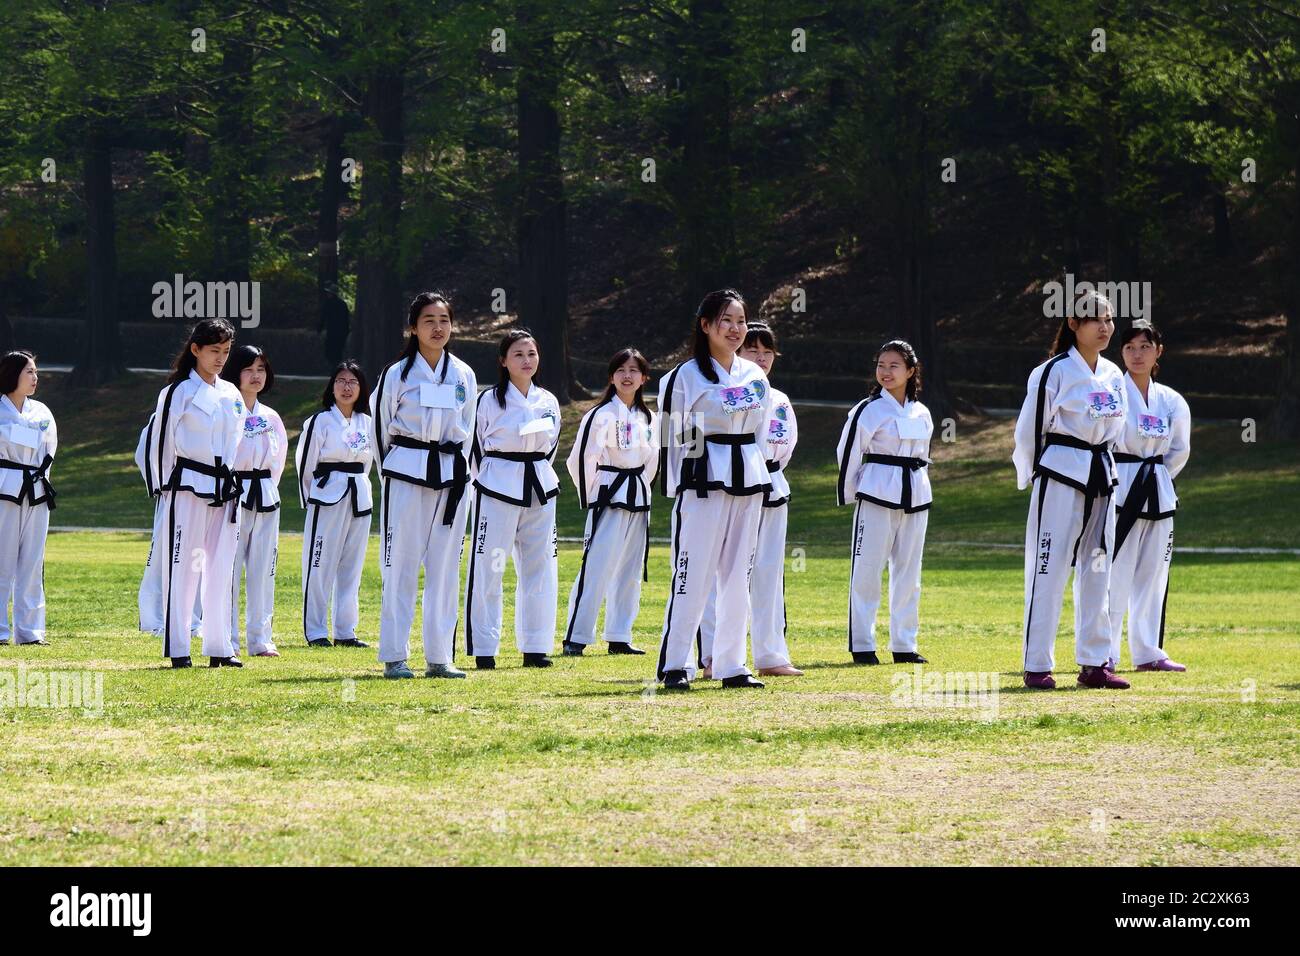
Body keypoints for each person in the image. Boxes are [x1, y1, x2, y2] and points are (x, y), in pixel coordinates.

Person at [1012, 291, 1130, 690]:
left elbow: (1117, 426)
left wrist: (1106, 466)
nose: (1105, 327)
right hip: (1060, 473)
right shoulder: (1052, 371)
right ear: (1074, 324)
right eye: (1096, 319)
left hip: (1102, 473)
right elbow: (1030, 430)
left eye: (1110, 319)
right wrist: (1033, 475)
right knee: (1049, 567)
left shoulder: (1115, 375)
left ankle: (1095, 662)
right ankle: (1036, 664)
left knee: (1098, 569)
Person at [655, 289, 772, 690]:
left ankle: (732, 665)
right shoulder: (684, 376)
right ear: (705, 326)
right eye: (726, 320)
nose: (736, 329)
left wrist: (757, 473)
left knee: (739, 574)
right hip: (703, 479)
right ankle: (675, 663)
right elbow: (669, 435)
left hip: (748, 479)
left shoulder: (755, 375)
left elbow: (759, 430)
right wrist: (682, 483)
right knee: (693, 572)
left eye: (741, 320)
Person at [371, 292, 477, 679]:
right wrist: (394, 468)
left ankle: (439, 656)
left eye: (444, 320)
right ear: (413, 328)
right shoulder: (397, 374)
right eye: (429, 320)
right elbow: (379, 429)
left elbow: (469, 427)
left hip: (451, 475)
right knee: (400, 565)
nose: (438, 327)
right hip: (407, 472)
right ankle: (395, 655)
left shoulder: (464, 374)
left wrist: (460, 470)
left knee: (445, 568)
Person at [697, 323, 803, 676]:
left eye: (767, 351)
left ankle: (771, 655)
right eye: (753, 350)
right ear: (738, 353)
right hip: (733, 482)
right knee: (723, 572)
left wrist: (768, 470)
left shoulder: (781, 400)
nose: (761, 357)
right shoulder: (727, 391)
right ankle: (714, 656)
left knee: (769, 572)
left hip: (771, 481)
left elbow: (786, 447)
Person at [144, 319, 245, 668]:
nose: (220, 358)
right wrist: (162, 488)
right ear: (196, 349)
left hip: (226, 488)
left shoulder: (232, 393)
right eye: (214, 350)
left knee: (221, 568)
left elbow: (236, 442)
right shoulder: (177, 392)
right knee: (184, 567)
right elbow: (160, 443)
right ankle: (179, 646)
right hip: (186, 485)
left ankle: (220, 647)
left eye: (226, 351)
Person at [465, 329, 562, 669]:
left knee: (539, 568)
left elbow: (549, 448)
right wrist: (493, 479)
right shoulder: (488, 401)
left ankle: (536, 646)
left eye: (532, 354)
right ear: (503, 361)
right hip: (497, 487)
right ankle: (484, 648)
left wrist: (531, 473)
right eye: (518, 354)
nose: (526, 360)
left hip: (539, 485)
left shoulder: (548, 401)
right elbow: (474, 450)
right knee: (491, 566)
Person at [835, 339, 934, 665]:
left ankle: (904, 644)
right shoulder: (868, 409)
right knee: (867, 571)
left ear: (910, 371)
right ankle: (862, 644)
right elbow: (848, 453)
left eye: (894, 365)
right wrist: (851, 492)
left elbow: (924, 454)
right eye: (881, 365)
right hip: (877, 493)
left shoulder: (922, 412)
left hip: (916, 496)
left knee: (909, 573)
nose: (886, 371)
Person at [561, 348, 658, 658]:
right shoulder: (600, 414)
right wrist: (593, 493)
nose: (627, 376)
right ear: (611, 376)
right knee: (597, 565)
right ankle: (576, 635)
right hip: (608, 492)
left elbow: (653, 459)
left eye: (634, 370)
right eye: (621, 370)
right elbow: (580, 458)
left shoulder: (648, 417)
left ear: (644, 378)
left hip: (638, 493)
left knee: (630, 569)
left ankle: (619, 635)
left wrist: (643, 485)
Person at [1108, 321, 1191, 672]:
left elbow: (1179, 450)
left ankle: (1148, 651)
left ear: (1159, 350)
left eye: (1145, 346)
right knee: (1113, 572)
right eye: (1129, 347)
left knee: (1154, 573)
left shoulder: (1171, 401)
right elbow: (1102, 438)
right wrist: (1123, 477)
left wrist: (1156, 476)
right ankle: (1103, 651)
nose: (1137, 354)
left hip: (1157, 488)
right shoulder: (1112, 392)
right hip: (1119, 488)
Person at [295, 361, 374, 649]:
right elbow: (305, 463)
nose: (346, 386)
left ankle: (346, 630)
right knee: (319, 563)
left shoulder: (368, 422)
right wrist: (312, 497)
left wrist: (360, 486)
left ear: (361, 388)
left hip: (359, 496)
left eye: (353, 381)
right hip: (327, 495)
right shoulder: (320, 421)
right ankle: (315, 630)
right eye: (341, 380)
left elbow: (368, 464)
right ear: (332, 386)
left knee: (351, 566)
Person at [222, 345, 288, 658]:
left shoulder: (271, 417)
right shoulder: (226, 410)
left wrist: (266, 489)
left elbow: (279, 461)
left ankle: (261, 638)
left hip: (265, 495)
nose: (255, 376)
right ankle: (228, 638)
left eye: (261, 369)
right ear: (236, 373)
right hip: (234, 493)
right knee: (230, 570)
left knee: (264, 570)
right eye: (249, 369)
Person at [0, 350, 56, 647]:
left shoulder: (42, 412)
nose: (35, 377)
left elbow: (49, 449)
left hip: (36, 488)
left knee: (33, 562)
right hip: (4, 489)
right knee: (2, 560)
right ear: (13, 374)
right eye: (29, 372)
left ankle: (30, 632)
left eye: (36, 372)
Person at [136, 412, 202, 638]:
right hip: (173, 493)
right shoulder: (166, 411)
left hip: (205, 495)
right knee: (164, 558)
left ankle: (194, 619)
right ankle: (156, 618)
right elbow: (145, 451)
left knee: (198, 559)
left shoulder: (216, 407)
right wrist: (161, 486)